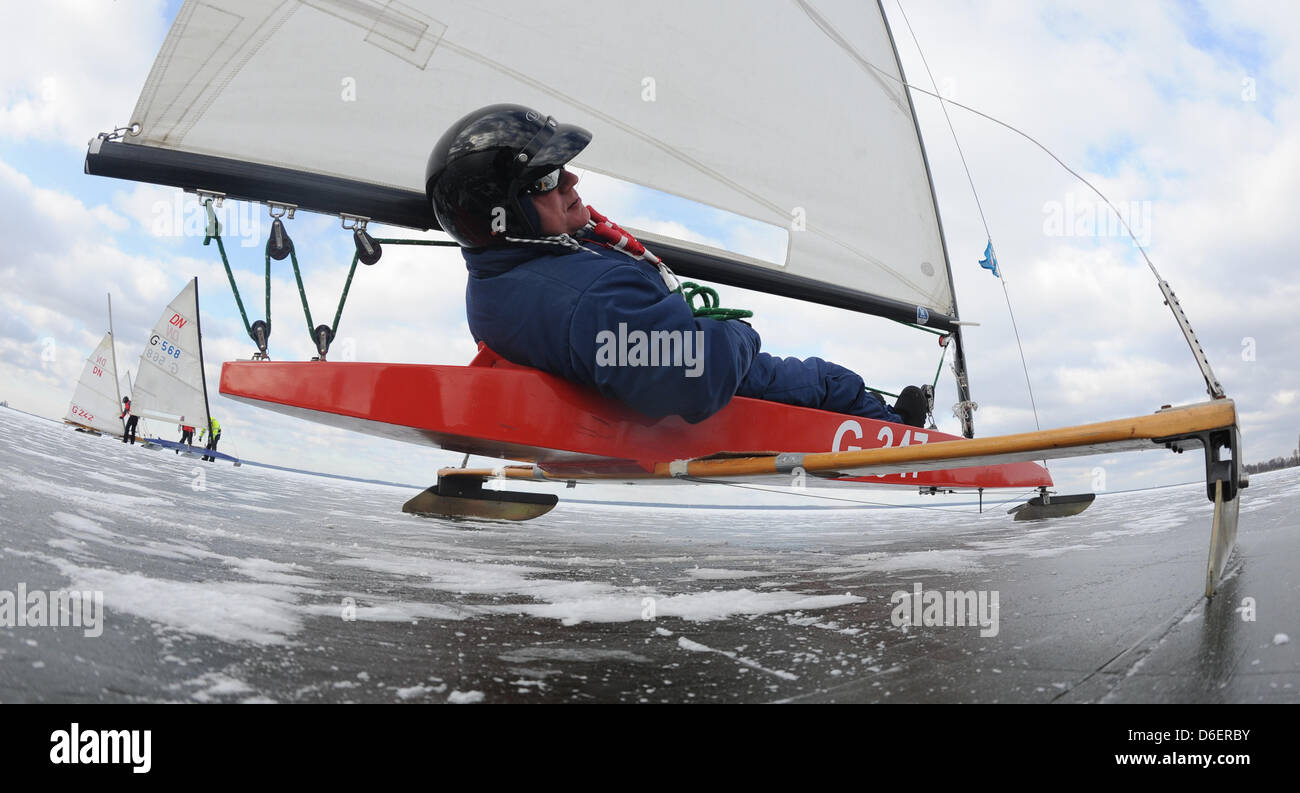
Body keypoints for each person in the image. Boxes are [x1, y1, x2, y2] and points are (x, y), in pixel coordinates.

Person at [425, 104, 930, 427]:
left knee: (819, 376)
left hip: (643, 355)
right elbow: (690, 374)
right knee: (829, 380)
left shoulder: (494, 276)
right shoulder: (592, 298)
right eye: (548, 179)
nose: (571, 181)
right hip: (725, 382)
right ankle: (905, 437)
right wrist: (737, 336)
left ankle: (895, 420)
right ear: (505, 211)